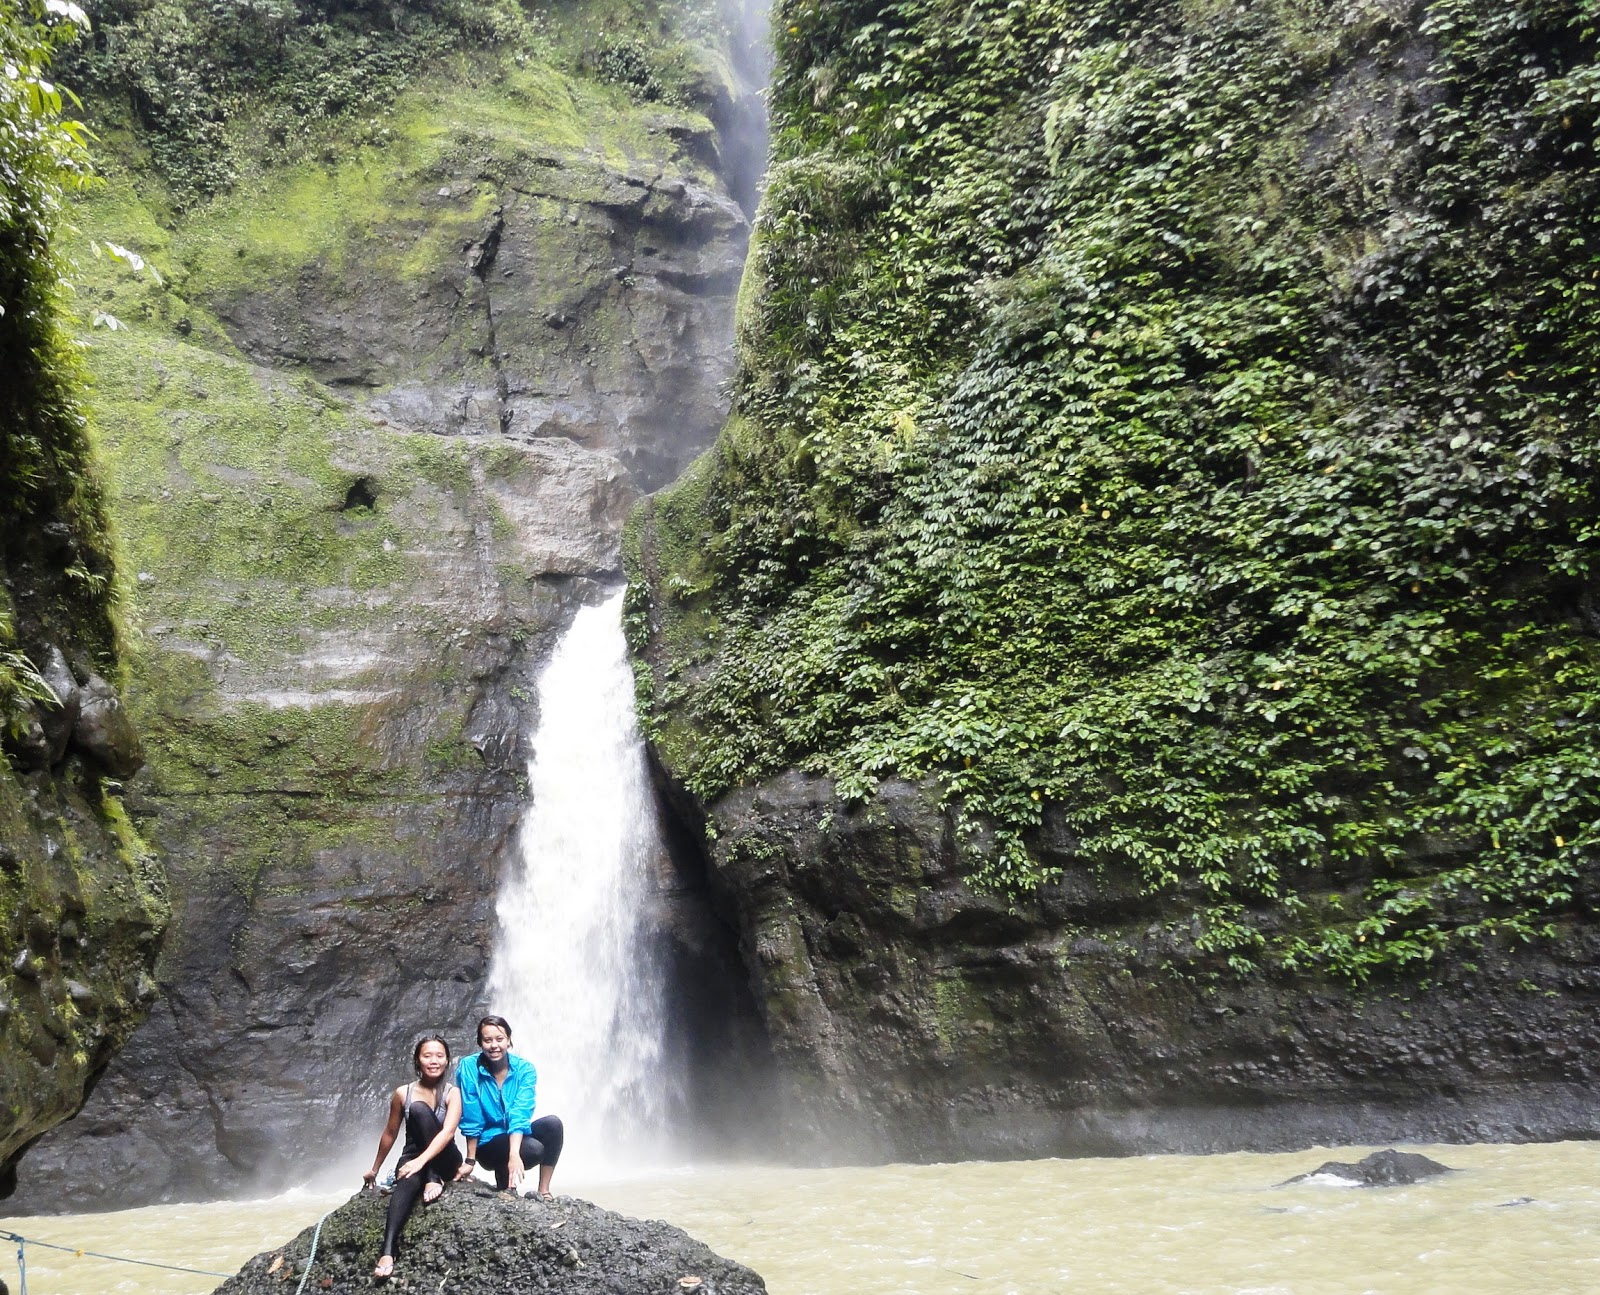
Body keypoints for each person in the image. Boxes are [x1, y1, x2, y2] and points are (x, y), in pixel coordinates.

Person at [363, 1034, 464, 1280]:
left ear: (448, 1060)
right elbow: (390, 1133)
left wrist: (423, 1163)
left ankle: (434, 1175)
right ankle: (387, 1251)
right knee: (406, 1183)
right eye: (427, 1055)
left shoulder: (453, 1093)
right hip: (413, 1154)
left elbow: (448, 1132)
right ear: (418, 1061)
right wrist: (374, 1170)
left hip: (446, 1158)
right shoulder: (402, 1093)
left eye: (439, 1056)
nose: (434, 1061)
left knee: (419, 1110)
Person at [453, 1014, 564, 1199]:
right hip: (488, 1143)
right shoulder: (469, 1067)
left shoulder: (524, 1069)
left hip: (515, 1133)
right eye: (487, 1040)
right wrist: (470, 1160)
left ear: (509, 1040)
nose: (494, 1045)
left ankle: (544, 1191)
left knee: (553, 1124)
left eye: (500, 1039)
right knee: (533, 1150)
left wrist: (514, 1153)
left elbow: (521, 1111)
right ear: (480, 1042)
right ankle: (506, 1185)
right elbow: (472, 1114)